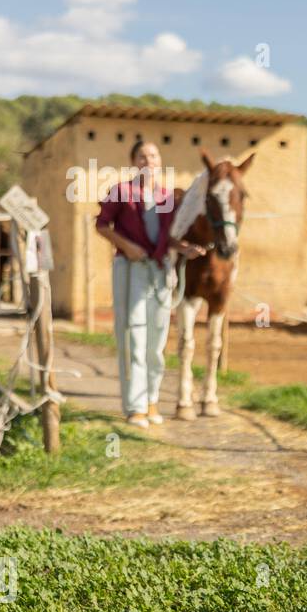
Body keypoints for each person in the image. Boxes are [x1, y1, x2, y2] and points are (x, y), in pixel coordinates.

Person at [95, 141, 203, 427]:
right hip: (130, 270)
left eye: (153, 156)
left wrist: (184, 249)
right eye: (142, 156)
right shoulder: (121, 191)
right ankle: (135, 406)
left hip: (159, 271)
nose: (148, 160)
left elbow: (165, 237)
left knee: (156, 341)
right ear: (133, 161)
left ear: (159, 161)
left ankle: (152, 401)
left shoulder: (166, 196)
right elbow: (102, 225)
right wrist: (127, 247)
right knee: (134, 337)